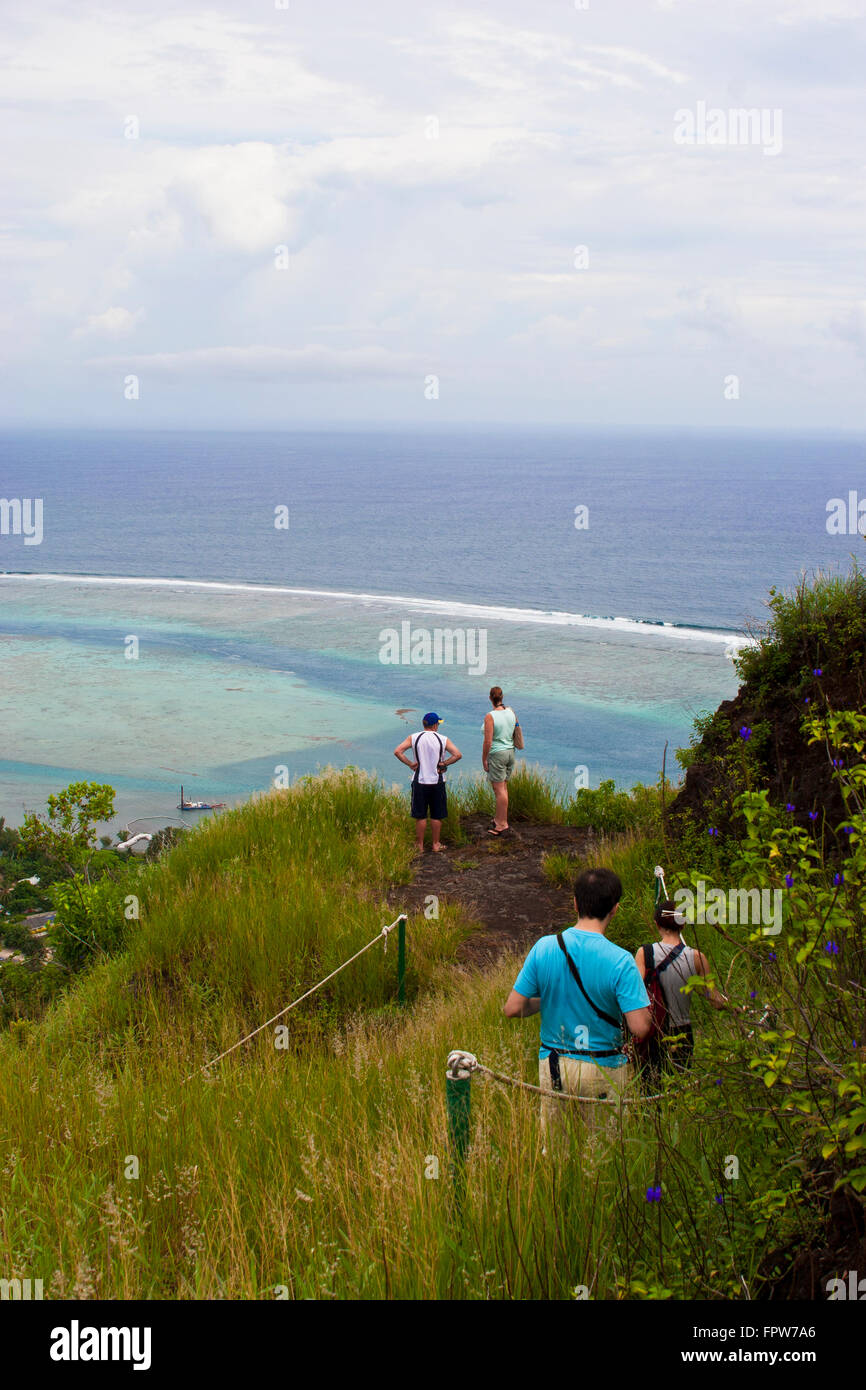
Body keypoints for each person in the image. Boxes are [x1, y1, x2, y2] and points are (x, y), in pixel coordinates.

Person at [503, 868, 651, 1144]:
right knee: (604, 1156)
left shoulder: (544, 947)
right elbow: (640, 1027)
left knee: (556, 1153)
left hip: (555, 1064)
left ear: (575, 903)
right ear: (615, 909)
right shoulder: (622, 961)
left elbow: (513, 1008)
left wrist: (546, 1000)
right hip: (604, 1065)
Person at [634, 900, 730, 1080]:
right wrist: (737, 1008)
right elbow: (714, 1000)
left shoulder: (644, 954)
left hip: (653, 1032)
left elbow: (635, 994)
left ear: (656, 924)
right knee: (680, 1088)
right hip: (683, 1034)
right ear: (683, 924)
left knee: (649, 1090)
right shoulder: (697, 958)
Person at [394, 713, 462, 853]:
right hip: (437, 781)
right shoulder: (442, 739)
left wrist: (410, 764)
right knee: (437, 815)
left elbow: (398, 751)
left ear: (424, 724)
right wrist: (444, 763)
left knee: (420, 815)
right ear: (435, 725)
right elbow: (457, 755)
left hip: (420, 781)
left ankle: (419, 846)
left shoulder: (414, 737)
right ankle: (436, 844)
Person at [483, 686, 519, 836]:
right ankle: (499, 819)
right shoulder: (511, 712)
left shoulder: (490, 716)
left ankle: (502, 825)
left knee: (499, 791)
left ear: (490, 698)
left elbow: (488, 742)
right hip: (510, 752)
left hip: (497, 753)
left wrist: (484, 759)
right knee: (503, 788)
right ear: (502, 697)